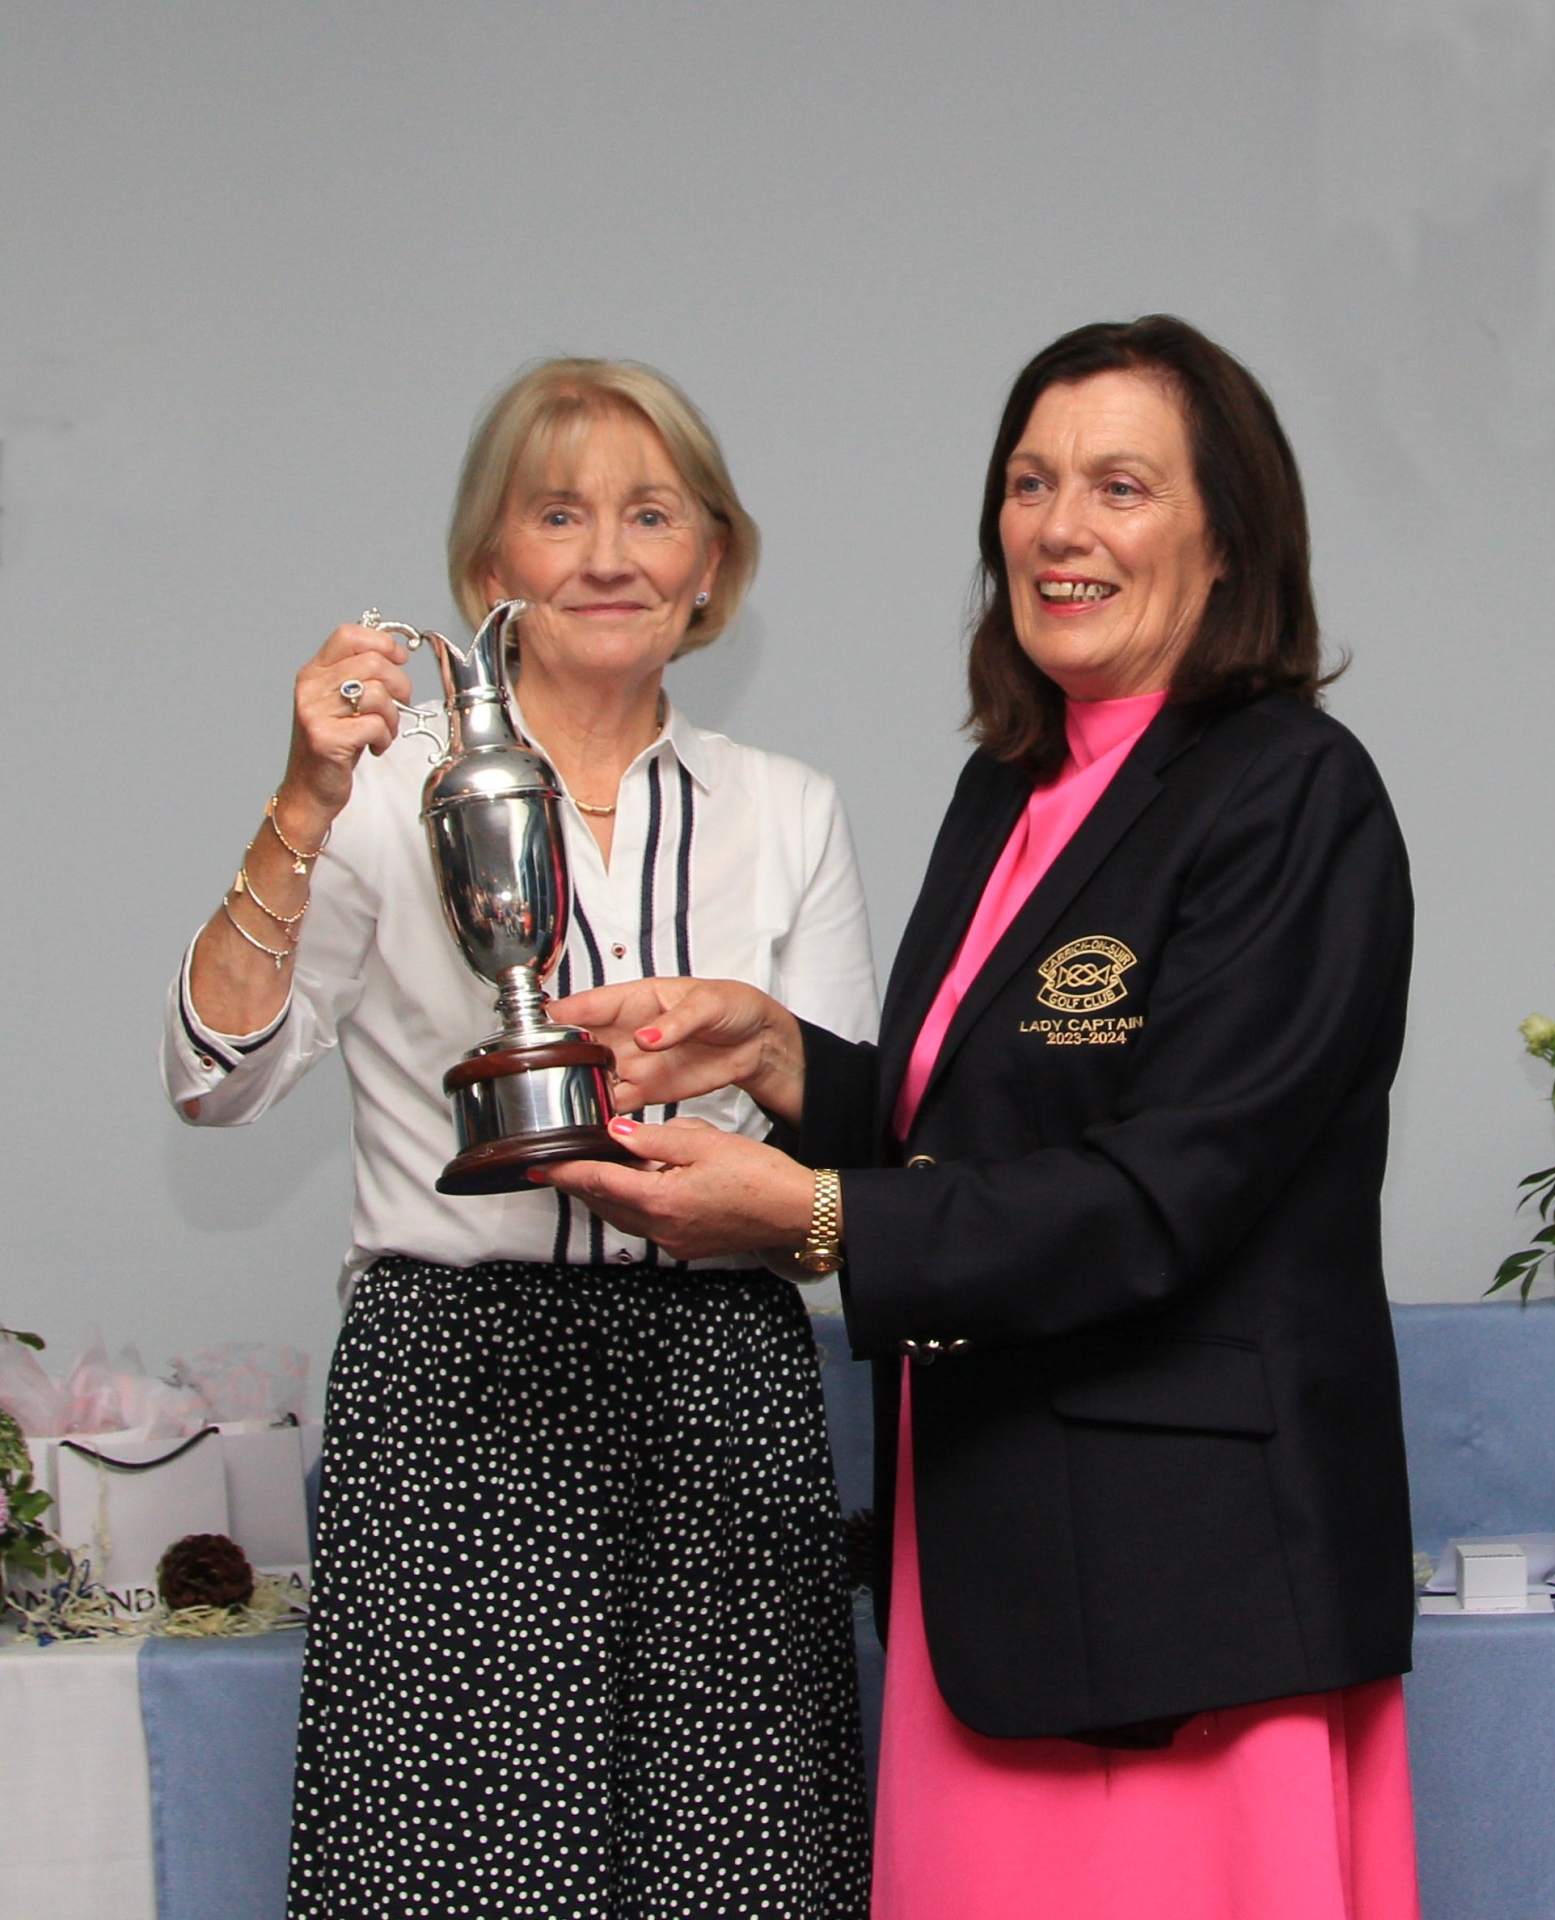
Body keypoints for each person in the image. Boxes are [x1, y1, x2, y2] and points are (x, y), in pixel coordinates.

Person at [542, 317, 1422, 1920]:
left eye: (1119, 485)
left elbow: (1164, 1190)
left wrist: (810, 1221)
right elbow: (981, 1122)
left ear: (1228, 539)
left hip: (1185, 1595)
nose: (1059, 527)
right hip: (992, 1562)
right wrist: (790, 1062)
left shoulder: (1294, 793)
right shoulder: (1008, 788)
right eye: (1028, 481)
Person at [161, 358, 876, 1917]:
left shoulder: (787, 808)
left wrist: (747, 1084)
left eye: (650, 514)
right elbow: (215, 1079)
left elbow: (851, 1127)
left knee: (739, 1868)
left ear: (712, 564)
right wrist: (297, 802)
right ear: (491, 572)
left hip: (724, 1383)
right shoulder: (386, 788)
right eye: (558, 516)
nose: (607, 555)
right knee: (453, 1875)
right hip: (454, 1383)